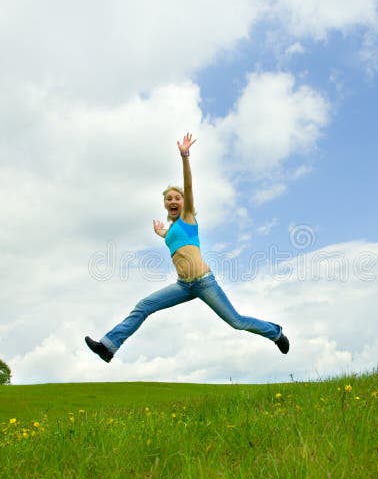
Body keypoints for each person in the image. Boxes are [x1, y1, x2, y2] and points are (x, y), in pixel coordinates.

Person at [85, 133, 290, 363]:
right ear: (165, 204)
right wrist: (161, 232)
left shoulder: (189, 218)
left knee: (237, 321)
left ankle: (275, 333)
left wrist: (185, 156)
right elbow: (171, 237)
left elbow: (188, 185)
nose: (173, 201)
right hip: (183, 286)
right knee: (143, 306)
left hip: (204, 282)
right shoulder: (172, 231)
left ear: (184, 203)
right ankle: (108, 346)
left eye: (177, 198)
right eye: (169, 199)